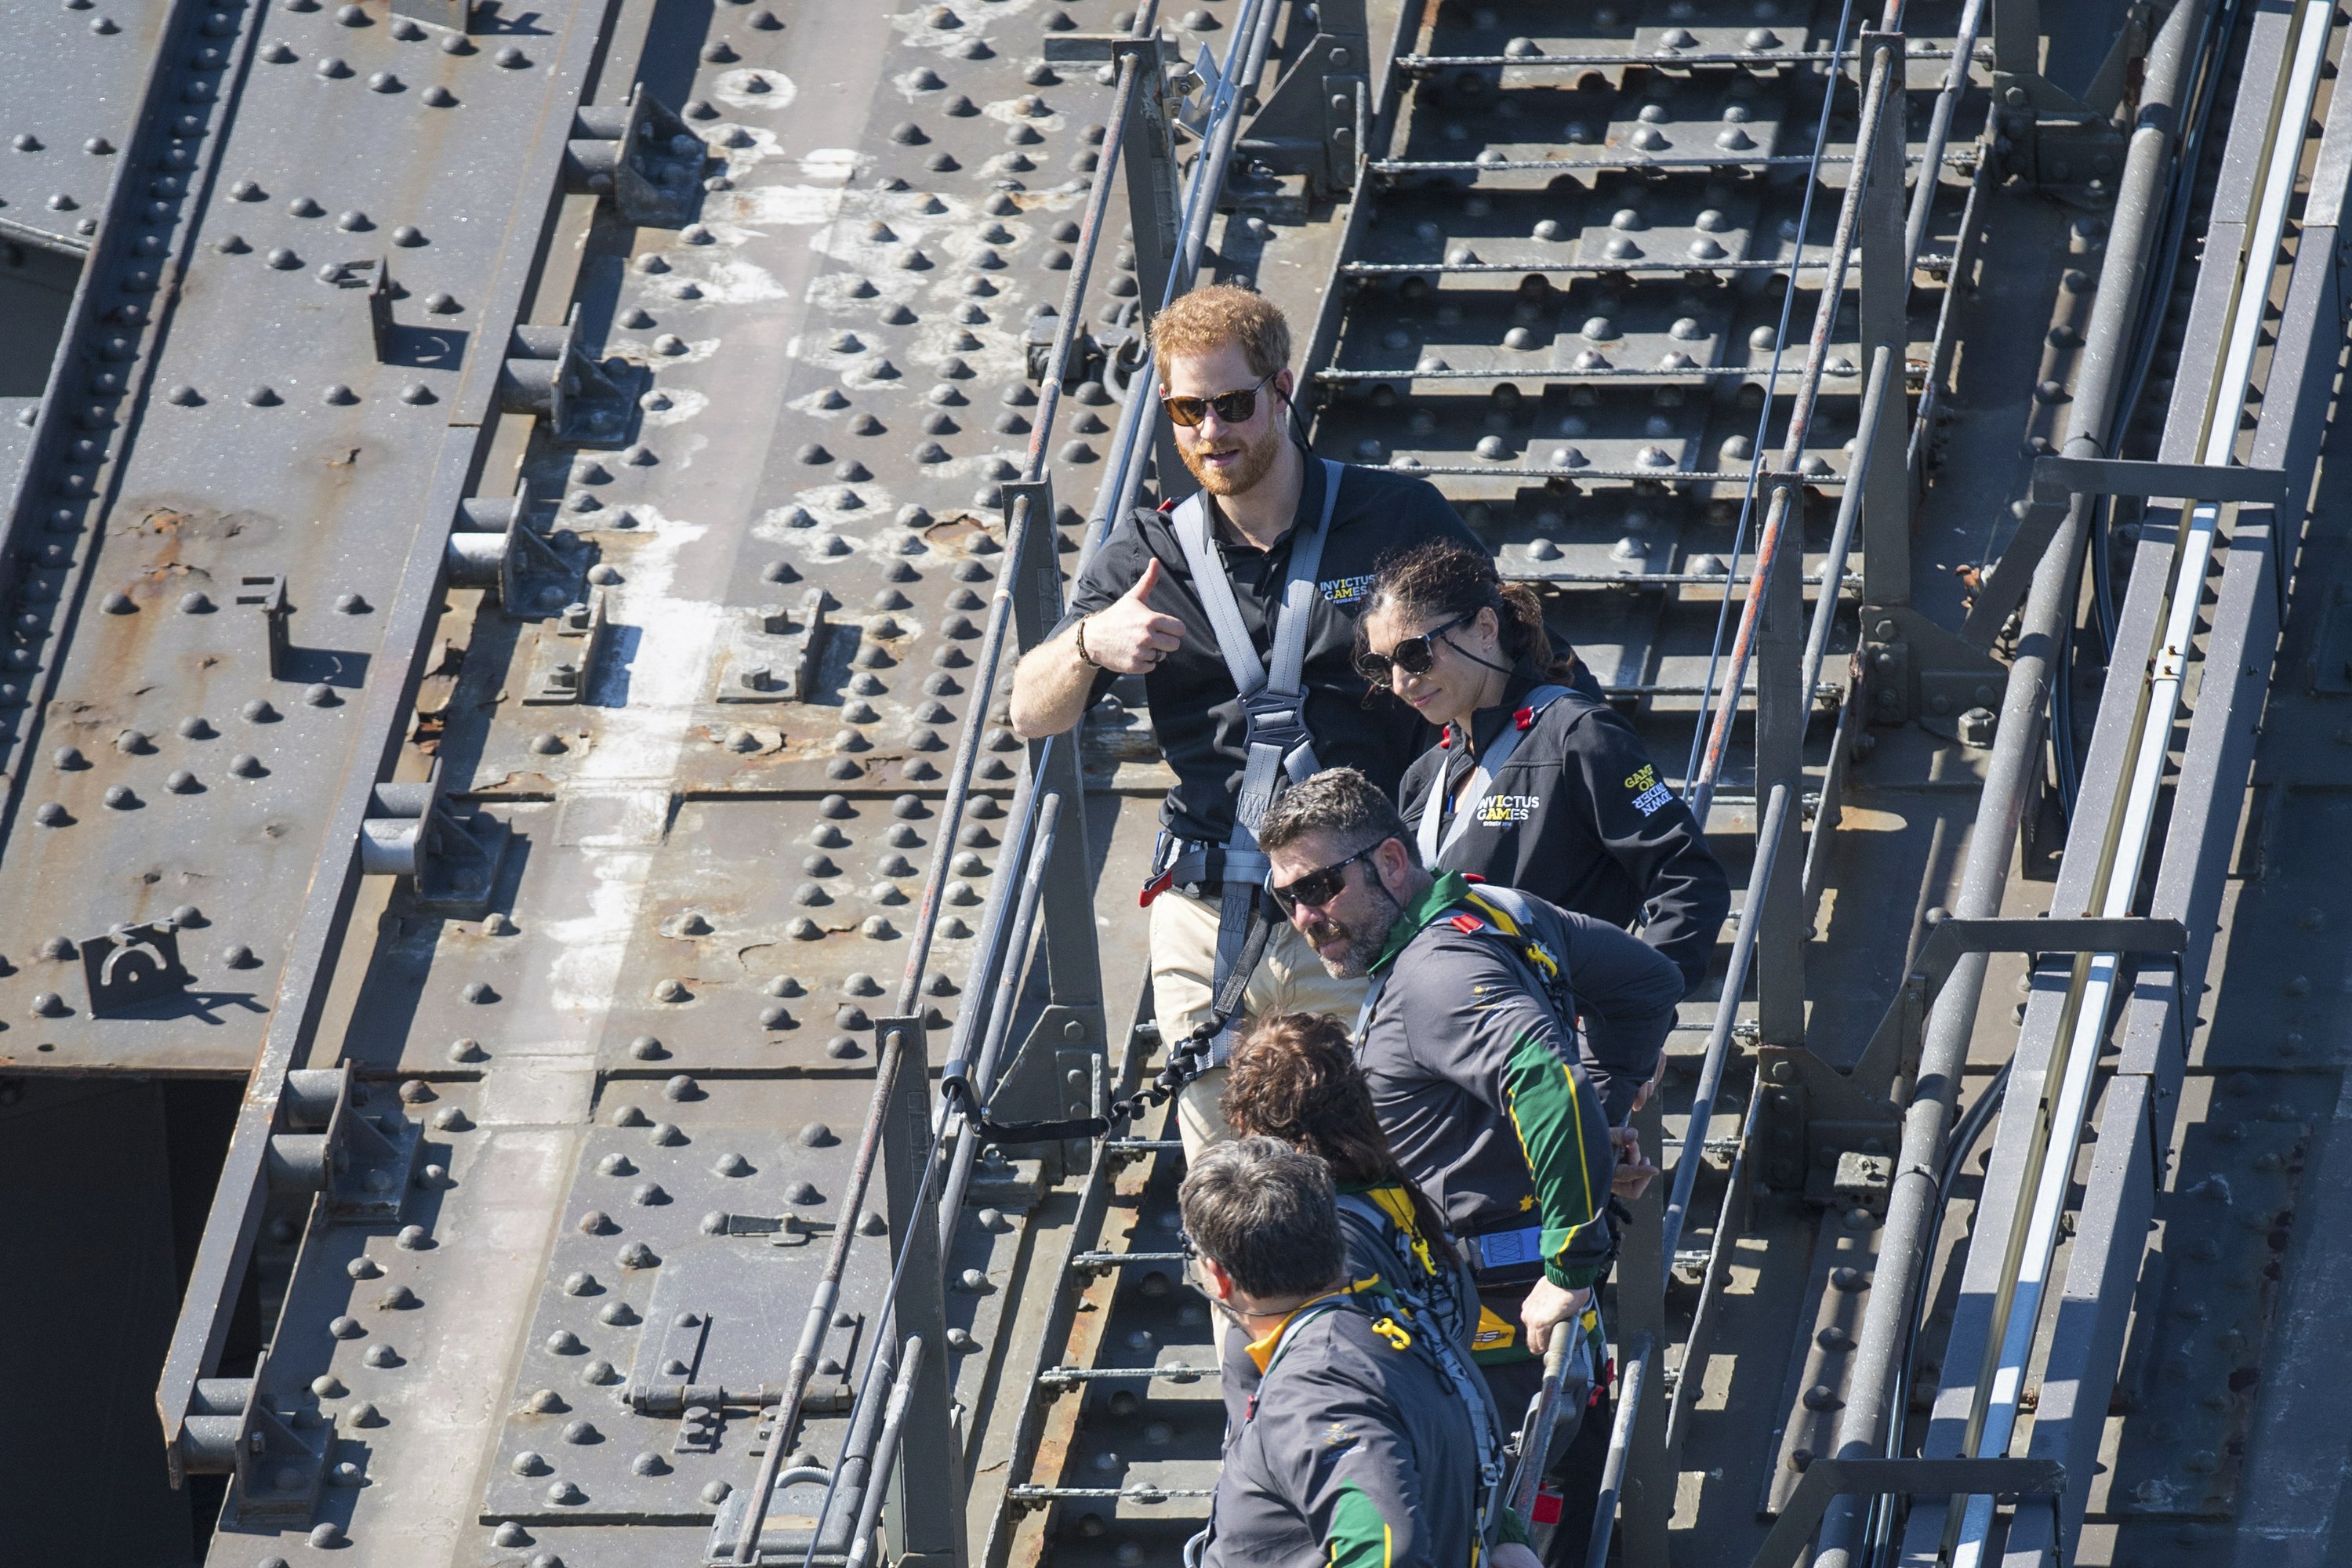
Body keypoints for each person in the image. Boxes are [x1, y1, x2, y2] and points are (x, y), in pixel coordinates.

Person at [1007, 284, 1480, 1156]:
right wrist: (1087, 643)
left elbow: (1503, 665)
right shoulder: (1146, 555)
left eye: (1232, 404)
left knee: (1378, 1173)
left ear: (1283, 388)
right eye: (1188, 410)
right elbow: (1029, 712)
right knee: (1228, 1202)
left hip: (1360, 903)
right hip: (1204, 914)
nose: (1211, 432)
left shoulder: (1397, 519)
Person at [1254, 768, 1684, 1559]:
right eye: (1288, 898)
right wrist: (1601, 1115)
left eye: (1319, 886)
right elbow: (1645, 983)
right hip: (1519, 1306)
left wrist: (1571, 1254)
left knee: (1490, 1536)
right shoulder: (1495, 910)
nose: (1308, 918)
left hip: (1501, 1321)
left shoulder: (1437, 974)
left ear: (1388, 860)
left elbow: (1544, 1081)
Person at [1364, 538, 1730, 1012]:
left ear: (1485, 628)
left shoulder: (1579, 734)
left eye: (1415, 654)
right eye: (1381, 664)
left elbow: (1687, 878)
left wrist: (1632, 1020)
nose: (1400, 681)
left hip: (1554, 1053)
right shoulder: (1425, 775)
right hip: (1453, 1043)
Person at [1183, 1137, 1517, 1568]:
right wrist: (1510, 1540)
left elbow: (1387, 1553)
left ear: (1218, 1276)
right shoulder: (1404, 1324)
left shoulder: (1314, 1391)